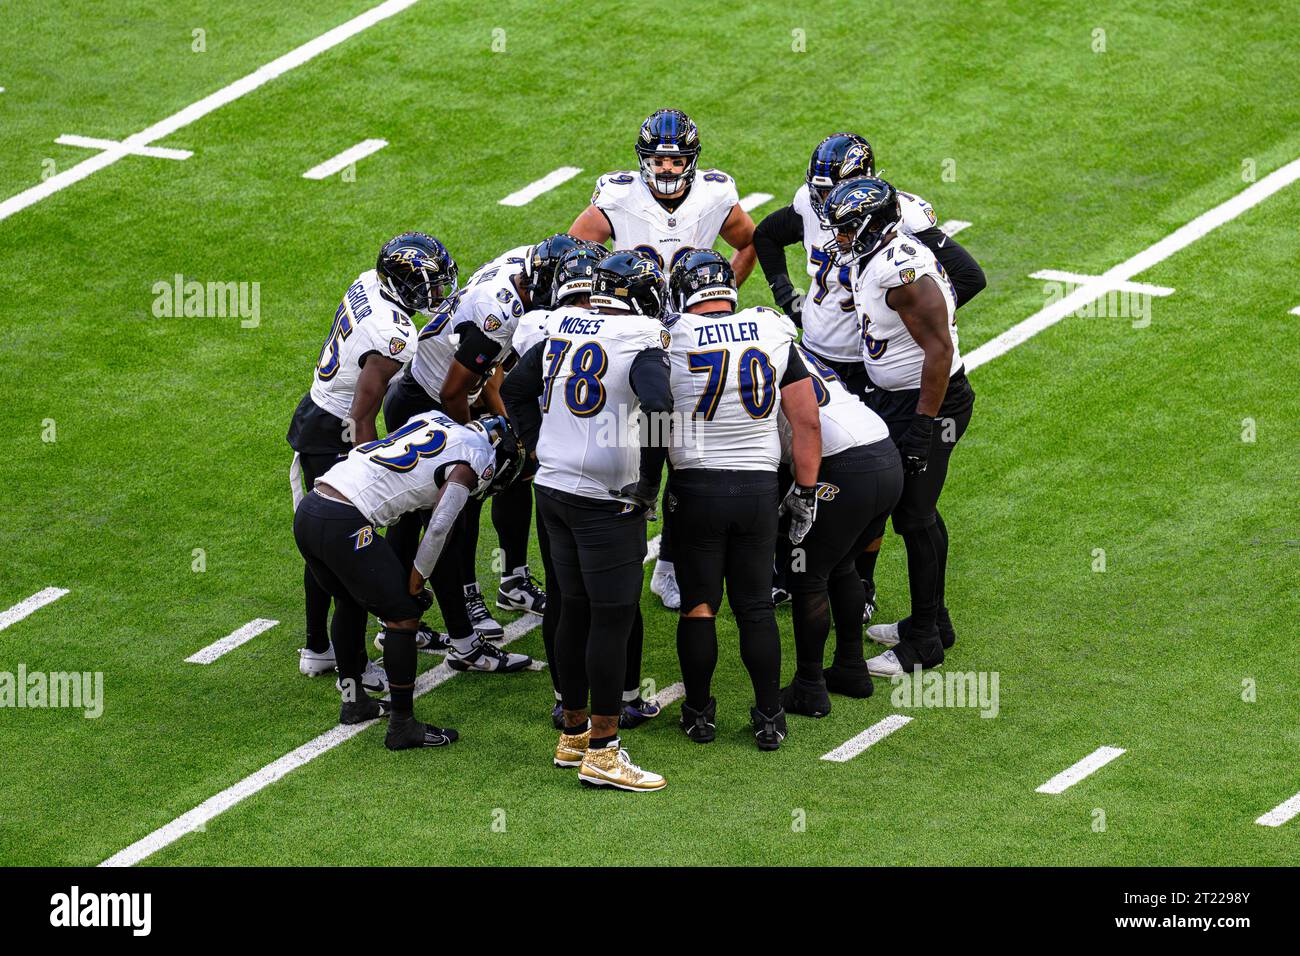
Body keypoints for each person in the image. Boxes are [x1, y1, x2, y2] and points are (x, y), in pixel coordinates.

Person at [752, 132, 986, 619]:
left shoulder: (899, 235)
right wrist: (788, 298)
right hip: (825, 353)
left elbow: (962, 283)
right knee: (798, 459)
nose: (827, 217)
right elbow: (768, 235)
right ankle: (796, 568)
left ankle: (867, 587)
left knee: (879, 490)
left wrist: (907, 324)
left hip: (880, 373)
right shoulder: (828, 215)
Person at [569, 109, 759, 611]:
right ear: (644, 160)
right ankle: (604, 550)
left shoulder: (717, 194)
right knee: (619, 441)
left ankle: (669, 564)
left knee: (684, 449)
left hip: (689, 335)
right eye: (659, 159)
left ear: (691, 162)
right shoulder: (616, 195)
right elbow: (574, 255)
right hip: (632, 333)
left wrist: (719, 295)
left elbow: (748, 242)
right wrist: (604, 309)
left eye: (676, 161)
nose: (668, 169)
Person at [501, 252, 673, 791]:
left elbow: (512, 388)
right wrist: (649, 483)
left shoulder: (559, 324)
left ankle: (573, 732)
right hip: (606, 499)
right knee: (611, 617)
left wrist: (534, 446)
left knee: (572, 608)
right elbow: (661, 402)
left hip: (552, 489)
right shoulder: (640, 335)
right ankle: (603, 750)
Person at [662, 248, 822, 751]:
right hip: (757, 486)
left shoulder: (670, 336)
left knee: (700, 607)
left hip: (696, 488)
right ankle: (769, 716)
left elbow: (646, 412)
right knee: (754, 606)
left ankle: (699, 713)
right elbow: (807, 418)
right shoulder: (769, 328)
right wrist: (807, 489)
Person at [293, 412, 530, 748]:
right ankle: (402, 726)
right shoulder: (473, 462)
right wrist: (417, 581)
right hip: (344, 520)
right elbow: (437, 527)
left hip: (313, 507)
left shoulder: (433, 419)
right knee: (403, 615)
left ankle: (354, 701)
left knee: (349, 600)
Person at [287, 231, 456, 691]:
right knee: (346, 551)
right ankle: (351, 665)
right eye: (429, 283)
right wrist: (369, 467)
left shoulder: (368, 282)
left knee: (324, 549)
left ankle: (317, 647)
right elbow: (364, 412)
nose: (436, 292)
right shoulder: (395, 335)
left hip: (318, 413)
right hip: (338, 428)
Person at [820, 177, 976, 675]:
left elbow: (939, 350)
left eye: (847, 229)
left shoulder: (903, 273)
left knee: (913, 516)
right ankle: (934, 620)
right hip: (899, 397)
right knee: (916, 513)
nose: (839, 238)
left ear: (872, 225)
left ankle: (925, 642)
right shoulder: (877, 256)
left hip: (930, 402)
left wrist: (924, 427)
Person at [777, 345, 903, 715]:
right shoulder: (781, 343)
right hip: (883, 451)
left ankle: (810, 686)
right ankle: (851, 666)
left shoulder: (741, 355)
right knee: (843, 564)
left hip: (842, 465)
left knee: (807, 575)